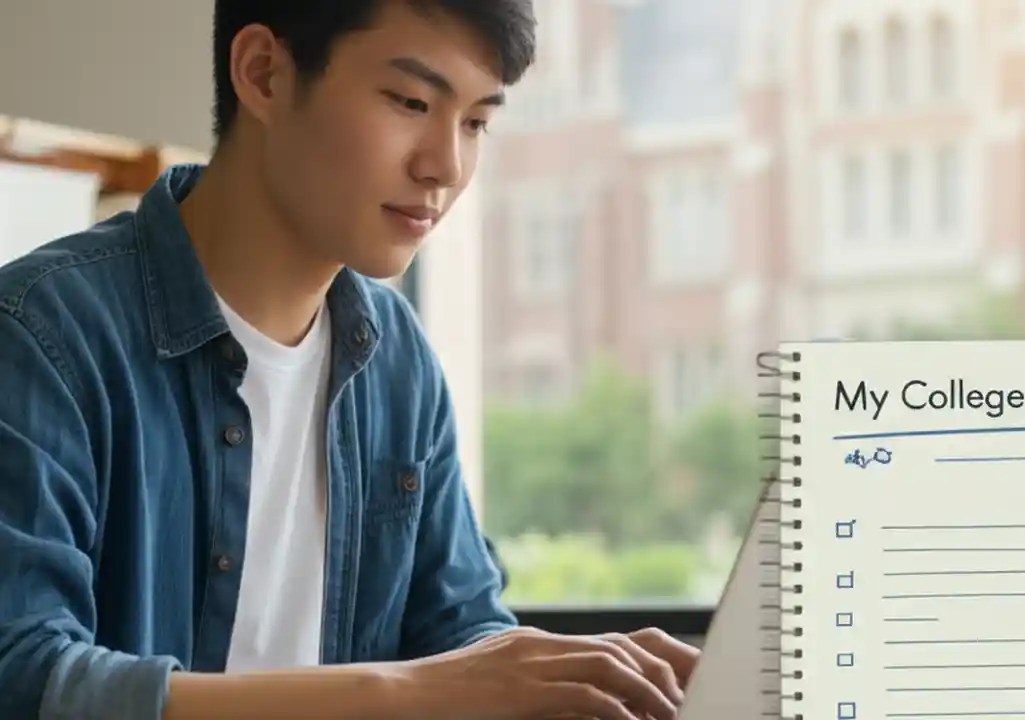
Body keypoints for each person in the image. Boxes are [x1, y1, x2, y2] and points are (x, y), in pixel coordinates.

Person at [0, 1, 699, 718]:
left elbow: (459, 635)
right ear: (264, 74)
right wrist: (401, 690)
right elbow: (23, 678)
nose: (445, 165)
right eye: (411, 101)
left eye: (476, 121)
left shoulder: (396, 356)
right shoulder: (41, 334)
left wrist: (585, 681)